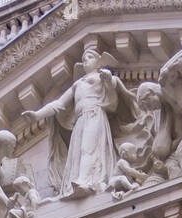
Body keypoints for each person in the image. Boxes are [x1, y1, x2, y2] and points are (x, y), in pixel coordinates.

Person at [21, 42, 137, 198]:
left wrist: (109, 83)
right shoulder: (77, 84)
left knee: (88, 148)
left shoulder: (103, 78)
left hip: (95, 114)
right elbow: (59, 104)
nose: (85, 61)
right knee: (77, 153)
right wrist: (37, 115)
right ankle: (76, 183)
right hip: (80, 120)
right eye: (83, 59)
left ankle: (86, 182)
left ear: (98, 61)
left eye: (89, 57)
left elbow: (112, 103)